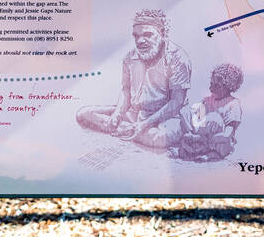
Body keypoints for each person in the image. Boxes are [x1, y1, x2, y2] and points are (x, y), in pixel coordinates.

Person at [76, 9, 191, 147]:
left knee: (159, 139)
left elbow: (176, 102)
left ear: (163, 34)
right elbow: (126, 90)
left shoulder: (178, 57)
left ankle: (128, 130)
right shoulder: (129, 58)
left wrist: (144, 124)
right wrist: (117, 114)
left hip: (166, 117)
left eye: (147, 35)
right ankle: (128, 129)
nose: (140, 40)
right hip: (134, 113)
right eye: (136, 36)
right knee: (84, 113)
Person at [175, 63, 244, 161]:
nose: (212, 88)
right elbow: (195, 119)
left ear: (229, 87)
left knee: (214, 118)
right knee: (185, 111)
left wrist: (207, 139)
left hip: (218, 141)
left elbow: (228, 133)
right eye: (211, 84)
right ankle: (194, 145)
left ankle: (210, 154)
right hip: (199, 137)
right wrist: (194, 134)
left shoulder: (233, 104)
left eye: (217, 85)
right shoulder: (206, 100)